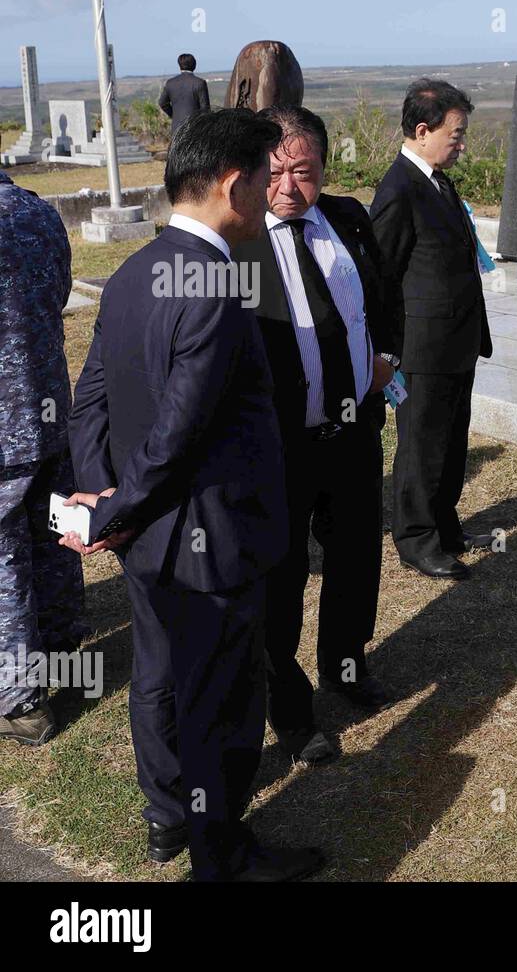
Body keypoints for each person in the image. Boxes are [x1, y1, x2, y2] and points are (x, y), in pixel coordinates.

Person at [63, 108, 324, 882]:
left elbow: (91, 401)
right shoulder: (216, 285)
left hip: (146, 539)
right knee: (221, 703)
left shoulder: (135, 271)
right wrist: (109, 509)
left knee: (157, 677)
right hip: (210, 540)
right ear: (234, 183)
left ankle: (167, 817)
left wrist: (95, 497)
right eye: (263, 181)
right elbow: (178, 433)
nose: (273, 196)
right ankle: (223, 856)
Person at [230, 104, 400, 763]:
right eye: (275, 172)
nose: (288, 188)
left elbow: (382, 295)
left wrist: (389, 356)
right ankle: (291, 713)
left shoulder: (348, 216)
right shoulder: (237, 243)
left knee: (357, 560)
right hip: (280, 446)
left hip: (354, 432)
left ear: (324, 168)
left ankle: (347, 667)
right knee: (282, 580)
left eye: (304, 171)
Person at [370, 78, 493, 580]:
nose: (461, 144)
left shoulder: (439, 180)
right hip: (421, 347)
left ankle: (446, 525)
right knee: (422, 445)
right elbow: (381, 276)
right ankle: (417, 538)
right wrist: (388, 352)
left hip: (456, 341)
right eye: (456, 134)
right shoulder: (399, 188)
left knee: (451, 441)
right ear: (423, 130)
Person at [0, 171, 85, 746]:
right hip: (50, 408)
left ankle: (19, 700)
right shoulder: (38, 213)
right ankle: (60, 648)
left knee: (4, 559)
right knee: (52, 538)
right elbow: (58, 296)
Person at [157, 53, 210, 137]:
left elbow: (162, 103)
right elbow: (205, 109)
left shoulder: (170, 83)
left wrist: (174, 115)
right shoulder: (200, 83)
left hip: (176, 129)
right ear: (194, 65)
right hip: (195, 129)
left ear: (179, 66)